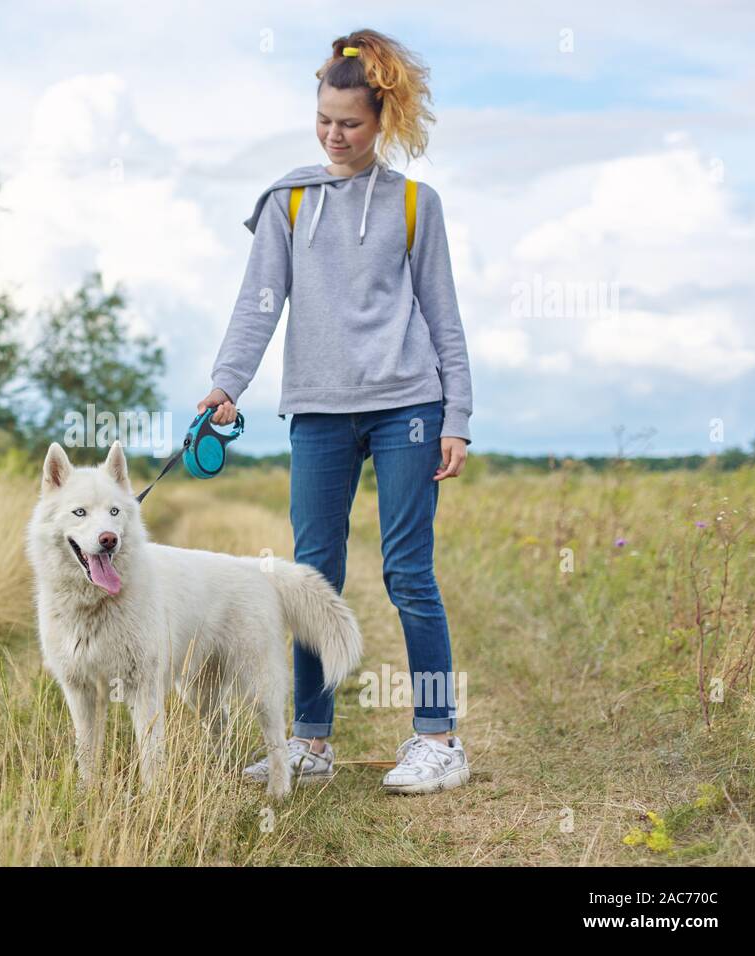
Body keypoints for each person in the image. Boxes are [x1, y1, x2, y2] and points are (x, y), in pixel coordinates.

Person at [197, 28, 473, 795]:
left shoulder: (417, 204)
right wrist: (228, 383)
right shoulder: (288, 202)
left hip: (407, 403)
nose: (334, 135)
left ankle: (438, 738)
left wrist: (457, 415)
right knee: (313, 578)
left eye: (349, 123)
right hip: (317, 408)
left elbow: (442, 314)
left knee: (408, 574)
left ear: (380, 120)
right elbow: (259, 304)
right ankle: (311, 745)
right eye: (324, 120)